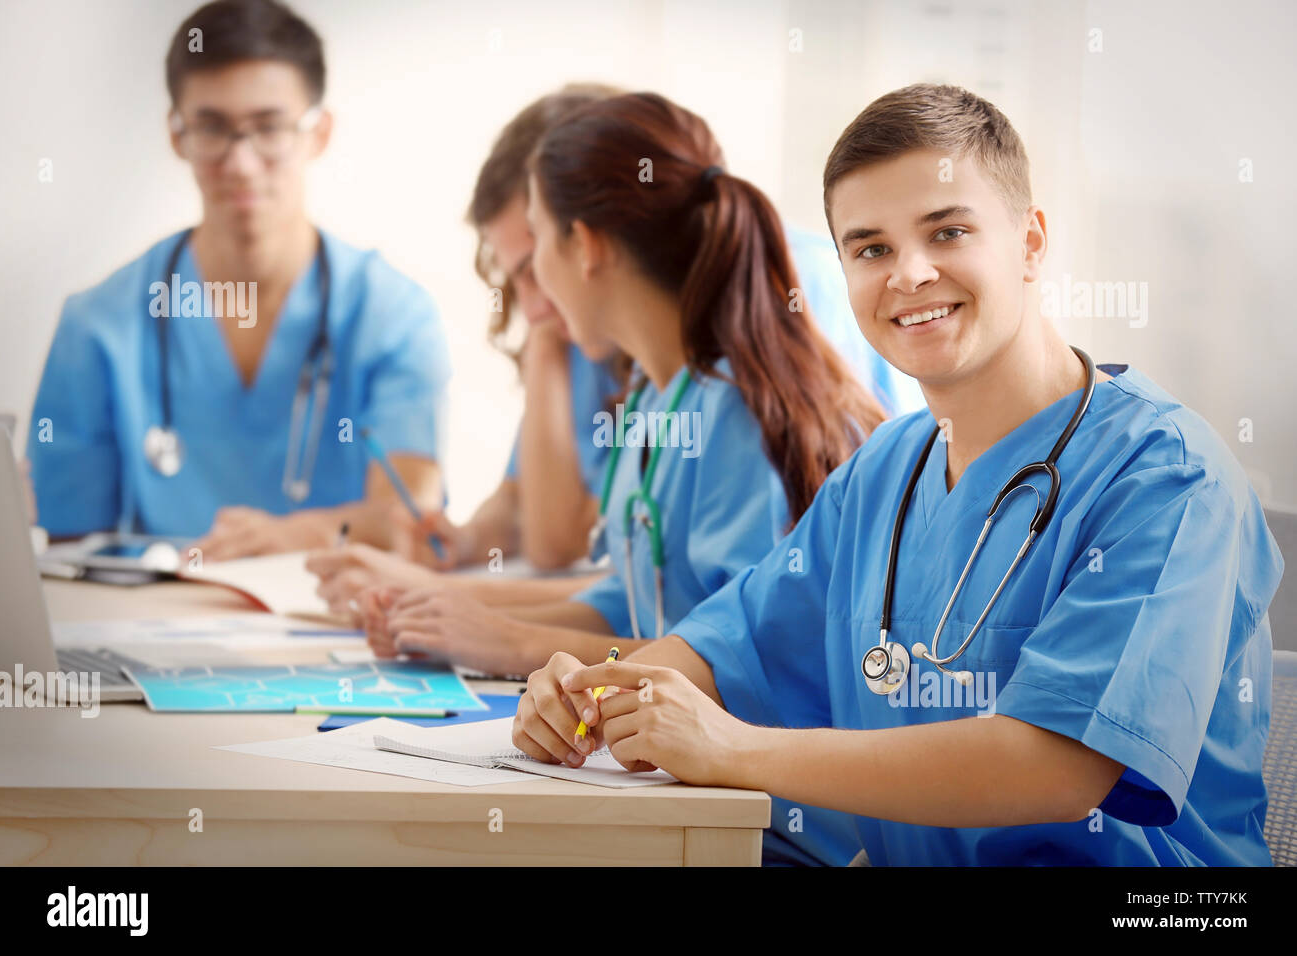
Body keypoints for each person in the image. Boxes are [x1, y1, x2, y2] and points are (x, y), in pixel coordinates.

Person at [513, 84, 1284, 866]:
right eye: (871, 248)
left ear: (1030, 242)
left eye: (947, 232)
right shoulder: (885, 469)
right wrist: (585, 688)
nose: (909, 275)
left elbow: (1059, 767)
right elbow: (727, 645)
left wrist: (732, 750)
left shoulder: (1167, 479)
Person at [307, 85, 919, 614]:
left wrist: (471, 619)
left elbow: (733, 638)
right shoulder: (651, 388)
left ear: (588, 241)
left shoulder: (745, 374)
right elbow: (613, 584)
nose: (534, 299)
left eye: (538, 254)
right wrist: (455, 593)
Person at [26, 0, 450, 560]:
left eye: (270, 127)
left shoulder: (392, 315)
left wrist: (294, 537)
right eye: (212, 127)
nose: (241, 163)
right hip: (148, 624)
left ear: (318, 133)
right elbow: (68, 549)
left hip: (340, 626)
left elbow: (409, 517)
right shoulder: (100, 324)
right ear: (177, 135)